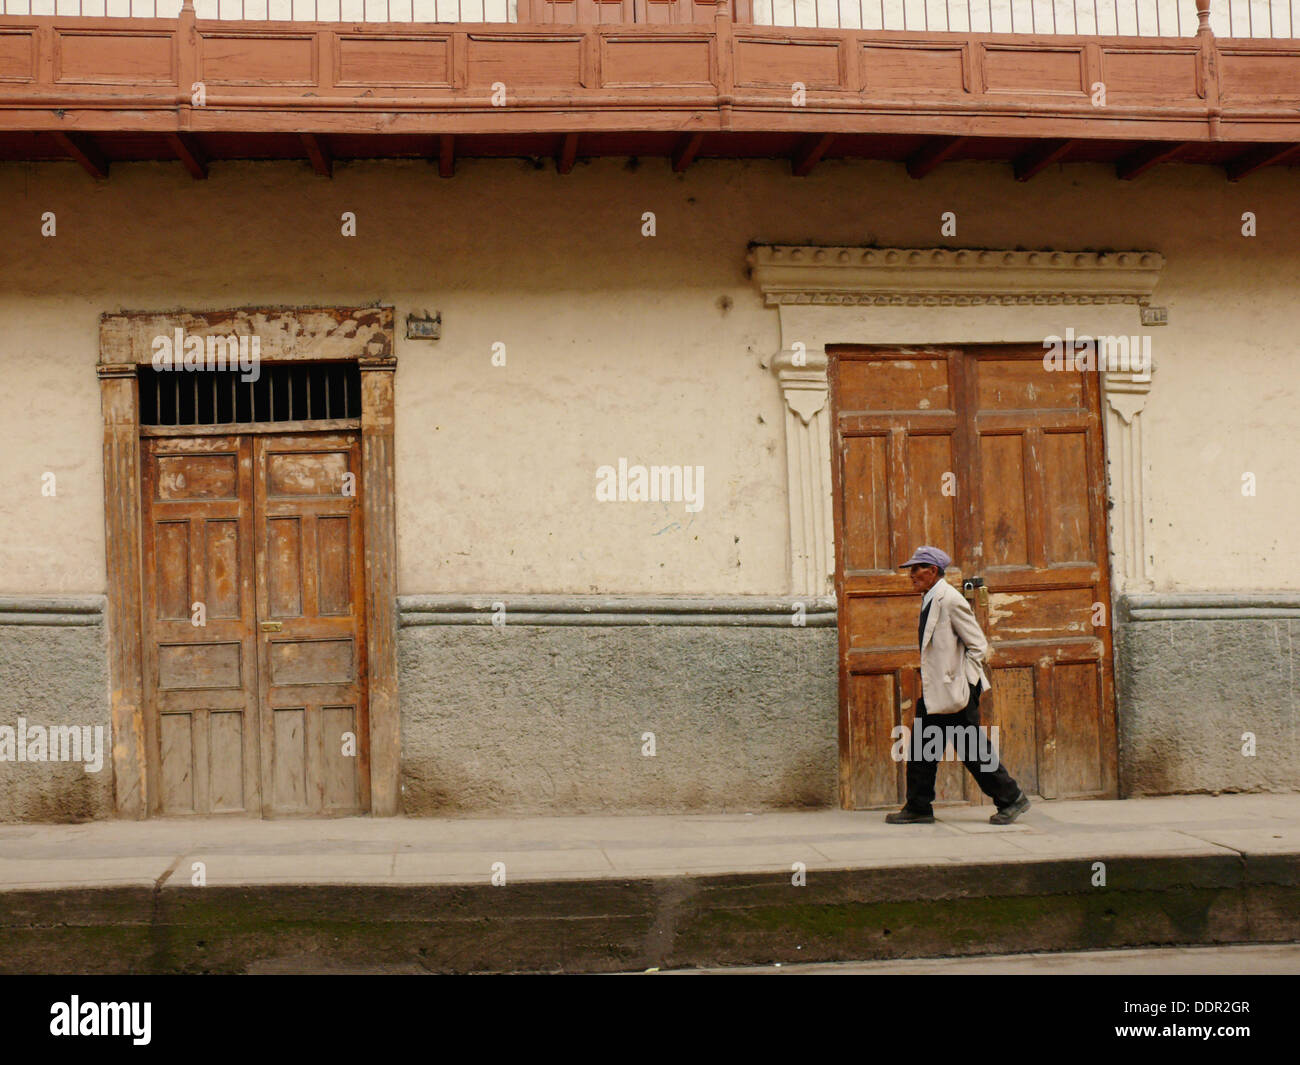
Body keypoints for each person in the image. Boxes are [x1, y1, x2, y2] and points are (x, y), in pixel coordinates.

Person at [885, 545, 1031, 826]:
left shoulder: (950, 600)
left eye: (916, 569)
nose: (911, 574)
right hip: (939, 691)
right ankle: (918, 807)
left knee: (972, 750)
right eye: (911, 569)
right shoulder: (931, 598)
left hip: (956, 691)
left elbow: (978, 646)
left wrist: (964, 682)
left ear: (933, 571)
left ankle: (1012, 799)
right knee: (923, 748)